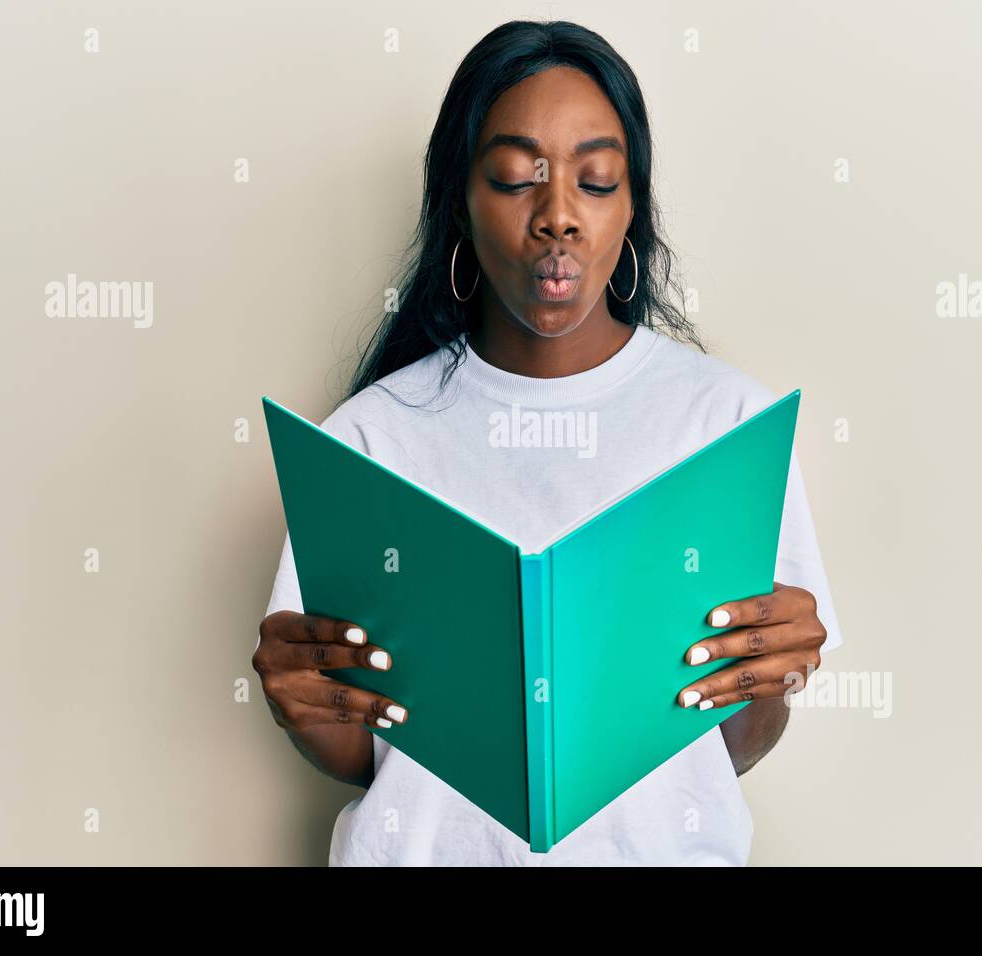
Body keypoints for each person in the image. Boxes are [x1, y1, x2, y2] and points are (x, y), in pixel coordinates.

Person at [253, 19, 842, 866]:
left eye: (596, 181)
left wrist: (767, 675)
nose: (558, 216)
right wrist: (305, 706)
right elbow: (362, 759)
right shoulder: (370, 439)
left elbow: (731, 749)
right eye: (513, 177)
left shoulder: (728, 428)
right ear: (461, 196)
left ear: (633, 203)